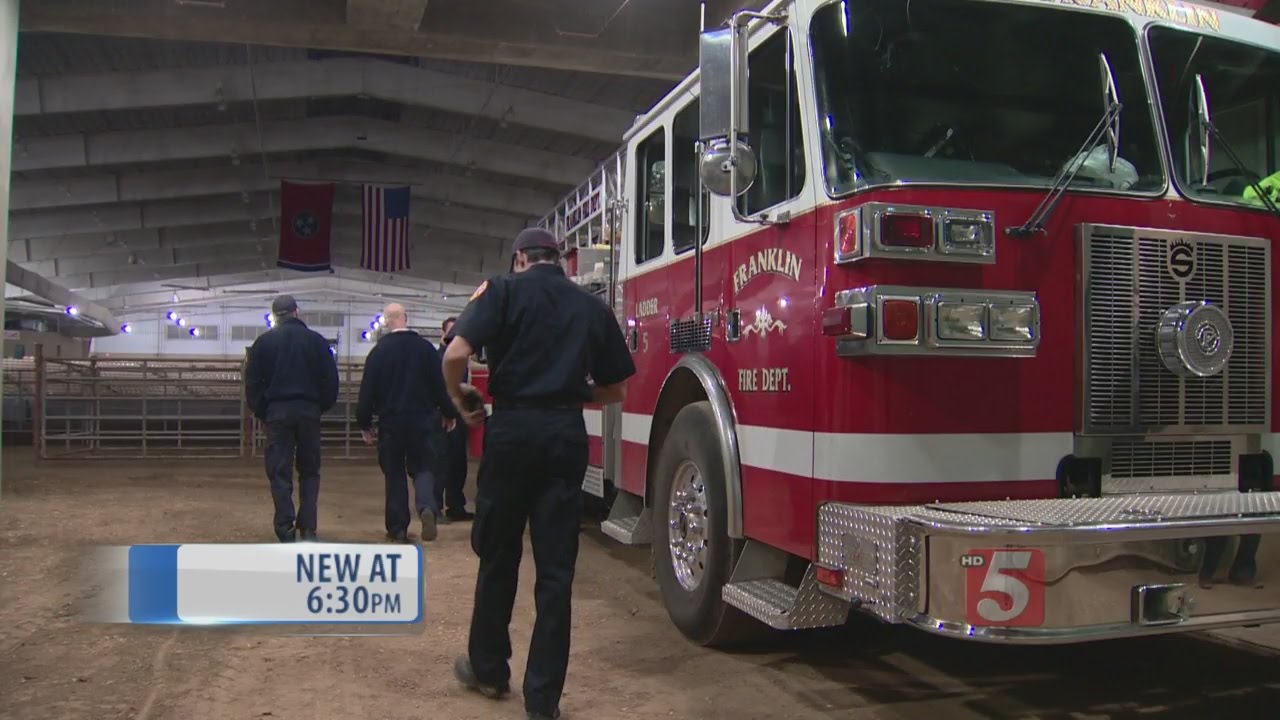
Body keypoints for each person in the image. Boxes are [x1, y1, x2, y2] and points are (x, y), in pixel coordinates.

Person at [443, 227, 635, 720]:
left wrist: (463, 399)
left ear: (519, 259)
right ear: (561, 260)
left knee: (498, 554)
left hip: (510, 432)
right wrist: (570, 393)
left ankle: (488, 670)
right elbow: (616, 389)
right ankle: (543, 699)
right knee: (555, 573)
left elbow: (455, 355)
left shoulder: (501, 291)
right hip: (563, 435)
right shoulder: (590, 306)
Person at [356, 303, 461, 544]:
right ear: (406, 318)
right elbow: (439, 387)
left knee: (394, 473)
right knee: (423, 467)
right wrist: (449, 413)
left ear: (386, 322)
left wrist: (364, 423)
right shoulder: (425, 349)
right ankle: (426, 507)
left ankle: (398, 528)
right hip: (423, 419)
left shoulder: (378, 352)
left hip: (391, 422)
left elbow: (367, 391)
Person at [244, 295, 339, 543]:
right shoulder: (317, 342)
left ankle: (284, 526)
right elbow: (331, 381)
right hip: (308, 410)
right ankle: (308, 527)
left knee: (279, 471)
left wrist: (263, 411)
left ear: (275, 315)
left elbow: (252, 384)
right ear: (297, 312)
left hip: (277, 412)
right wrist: (320, 407)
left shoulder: (263, 343)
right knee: (310, 471)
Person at [434, 316, 475, 523]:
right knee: (441, 463)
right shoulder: (439, 358)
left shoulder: (461, 359)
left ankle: (455, 505)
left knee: (458, 463)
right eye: (449, 333)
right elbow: (440, 390)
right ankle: (436, 507)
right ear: (442, 334)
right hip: (444, 416)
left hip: (458, 415)